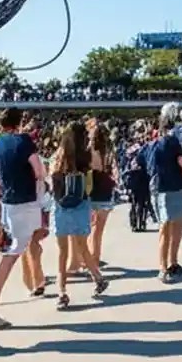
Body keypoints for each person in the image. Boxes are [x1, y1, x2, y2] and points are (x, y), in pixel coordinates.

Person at [0, 108, 48, 327]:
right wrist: (41, 182)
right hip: (28, 200)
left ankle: (35, 279)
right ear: (19, 122)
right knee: (24, 245)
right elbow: (39, 170)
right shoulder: (24, 142)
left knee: (26, 242)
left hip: (9, 202)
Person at [50, 121, 108, 309]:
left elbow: (50, 179)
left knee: (62, 252)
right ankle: (97, 277)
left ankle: (62, 292)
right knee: (83, 246)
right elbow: (99, 166)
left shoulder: (59, 155)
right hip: (81, 203)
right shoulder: (85, 155)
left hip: (60, 205)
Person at [147, 107, 182, 283]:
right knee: (175, 228)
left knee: (163, 228)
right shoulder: (173, 142)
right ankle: (171, 263)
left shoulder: (153, 143)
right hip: (174, 187)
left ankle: (162, 265)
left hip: (158, 187)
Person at [88, 121, 119, 266]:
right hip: (105, 190)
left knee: (88, 229)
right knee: (99, 230)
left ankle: (88, 257)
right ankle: (95, 257)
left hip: (91, 191)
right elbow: (114, 170)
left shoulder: (89, 151)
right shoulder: (109, 150)